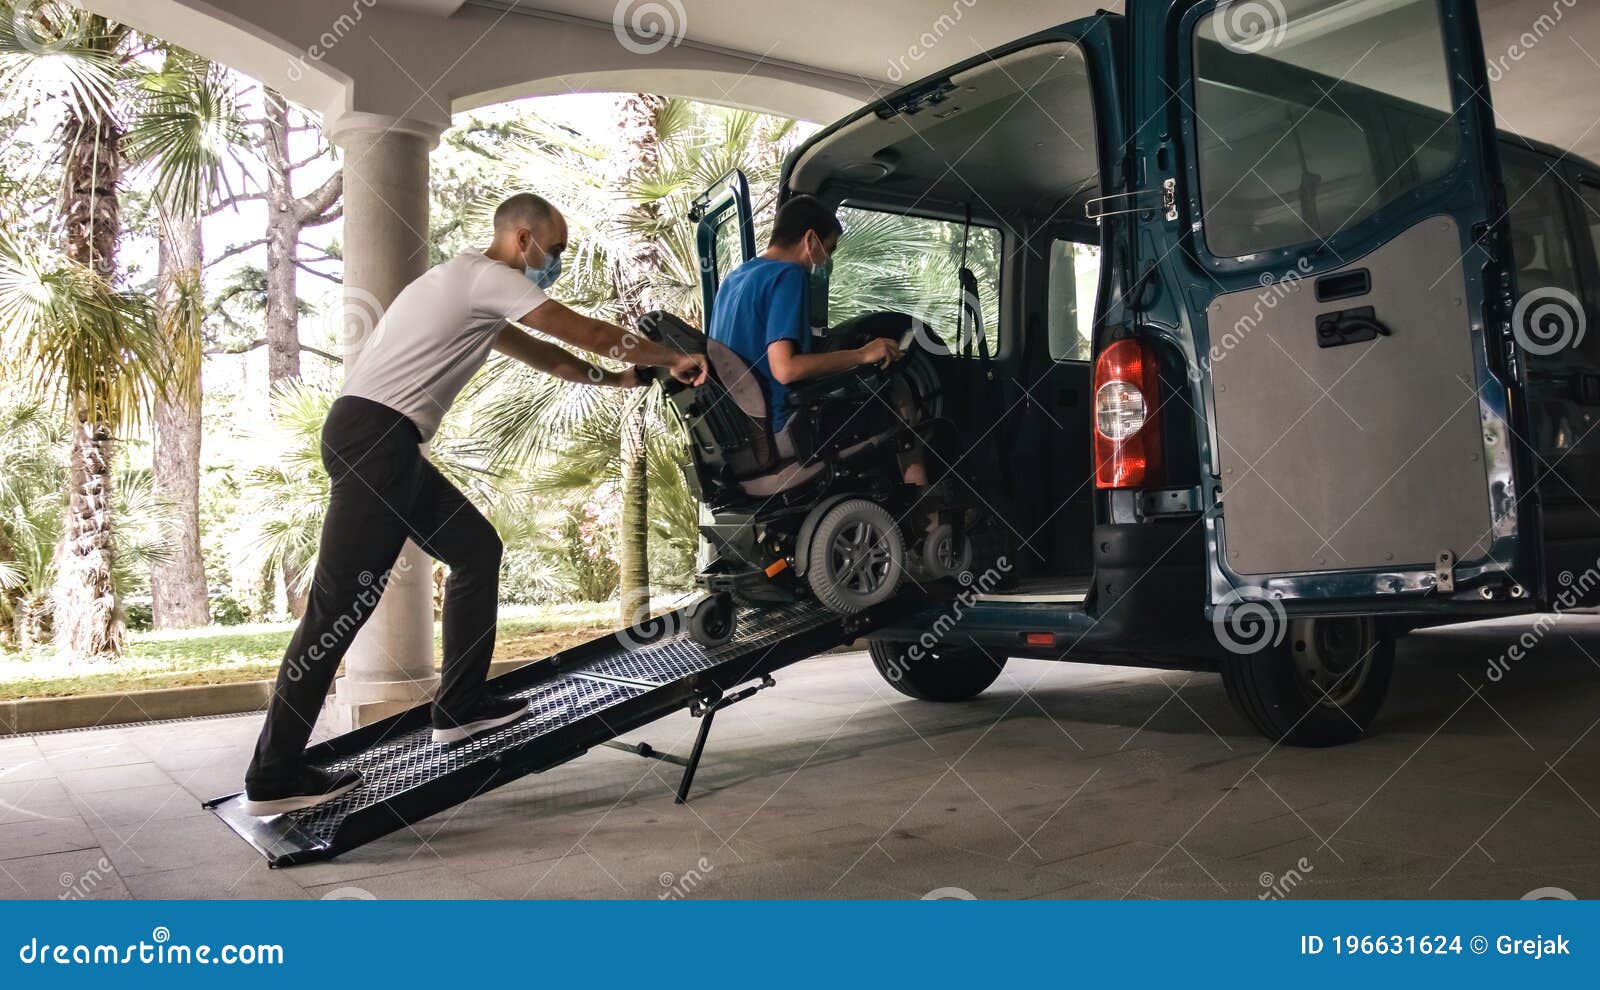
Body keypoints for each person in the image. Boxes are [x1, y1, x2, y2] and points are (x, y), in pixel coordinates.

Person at [241, 193, 708, 816]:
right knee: (338, 608)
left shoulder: (469, 287)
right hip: (376, 441)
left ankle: (458, 709)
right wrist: (672, 356)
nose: (555, 262)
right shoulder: (488, 278)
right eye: (554, 249)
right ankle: (273, 776)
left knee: (476, 549)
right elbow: (591, 334)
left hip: (386, 441)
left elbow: (554, 357)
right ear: (523, 239)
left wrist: (625, 379)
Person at [709, 195, 922, 481]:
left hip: (741, 432)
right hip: (779, 428)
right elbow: (785, 369)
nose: (827, 260)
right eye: (829, 249)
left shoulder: (734, 279)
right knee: (897, 395)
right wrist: (861, 355)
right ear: (810, 239)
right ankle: (922, 499)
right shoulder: (788, 274)